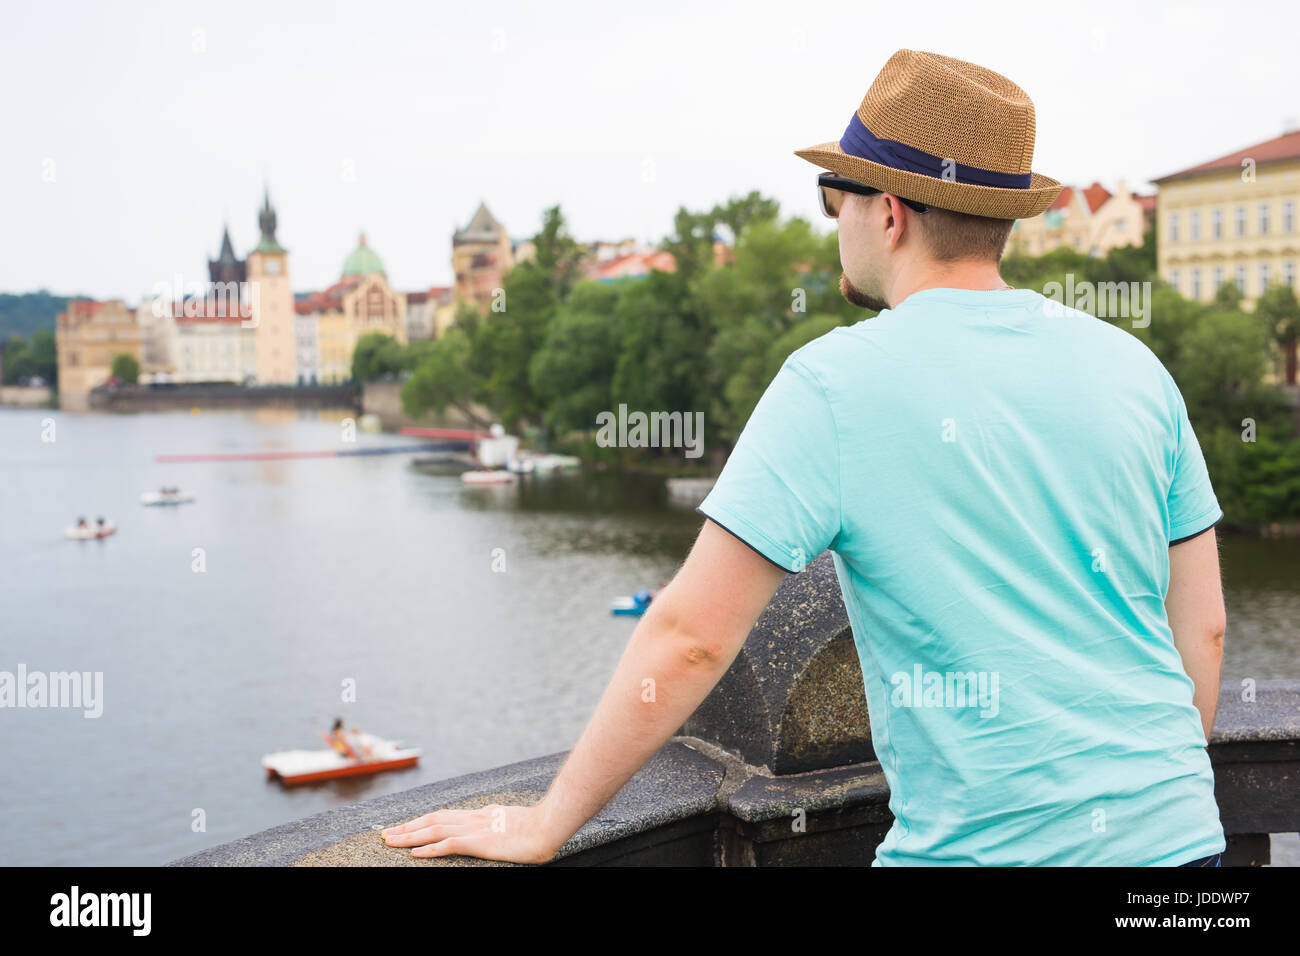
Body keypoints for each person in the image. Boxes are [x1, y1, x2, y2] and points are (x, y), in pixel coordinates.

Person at [383, 50, 1227, 867]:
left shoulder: (834, 383)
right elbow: (1207, 628)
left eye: (835, 198)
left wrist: (545, 824)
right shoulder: (1134, 368)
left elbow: (690, 641)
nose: (834, 223)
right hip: (1184, 850)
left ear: (888, 210)